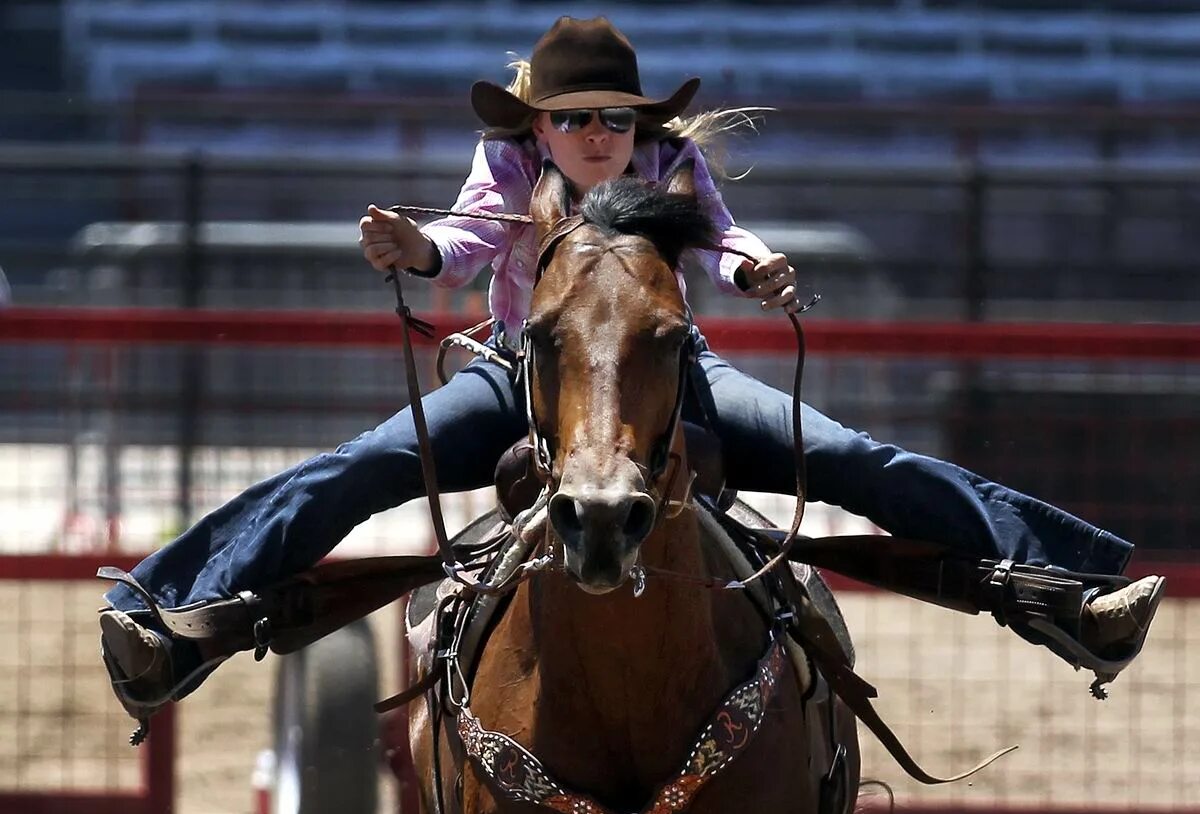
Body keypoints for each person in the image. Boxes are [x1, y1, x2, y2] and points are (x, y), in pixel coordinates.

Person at [99, 17, 1163, 725]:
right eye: (576, 117)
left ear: (639, 123)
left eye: (616, 115)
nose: (599, 133)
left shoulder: (669, 164)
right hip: (528, 366)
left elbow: (723, 237)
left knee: (848, 454)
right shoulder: (509, 165)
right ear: (540, 127)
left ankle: (1068, 590)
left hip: (669, 368)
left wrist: (758, 269)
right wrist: (414, 252)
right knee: (361, 466)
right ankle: (173, 613)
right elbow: (466, 242)